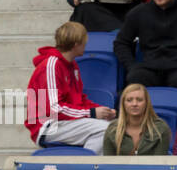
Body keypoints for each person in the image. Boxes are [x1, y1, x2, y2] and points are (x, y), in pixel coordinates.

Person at [24, 21, 116, 152]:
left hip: (65, 121)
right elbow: (54, 108)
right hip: (47, 125)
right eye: (84, 41)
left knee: (115, 127)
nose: (86, 44)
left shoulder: (72, 65)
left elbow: (79, 100)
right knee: (105, 130)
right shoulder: (51, 65)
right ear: (76, 45)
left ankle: (88, 165)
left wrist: (100, 110)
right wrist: (92, 113)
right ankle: (85, 169)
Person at [102, 82, 173, 154]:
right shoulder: (112, 129)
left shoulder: (160, 128)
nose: (134, 104)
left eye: (139, 100)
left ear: (146, 103)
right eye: (129, 100)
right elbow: (108, 163)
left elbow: (159, 163)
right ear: (123, 104)